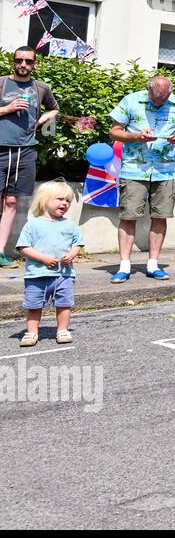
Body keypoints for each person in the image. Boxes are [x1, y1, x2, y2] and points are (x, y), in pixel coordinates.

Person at [108, 76, 175, 283]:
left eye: (162, 99)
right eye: (155, 99)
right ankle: (124, 266)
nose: (158, 103)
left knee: (160, 216)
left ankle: (153, 264)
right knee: (128, 216)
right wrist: (137, 136)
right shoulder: (131, 100)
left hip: (166, 170)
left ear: (170, 93)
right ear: (148, 91)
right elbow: (113, 132)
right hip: (134, 168)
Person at [0, 47, 60, 269]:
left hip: (25, 150)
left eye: (28, 61)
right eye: (19, 60)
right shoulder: (2, 83)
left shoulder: (41, 88)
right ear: (13, 62)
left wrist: (43, 119)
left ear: (34, 64)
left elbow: (55, 109)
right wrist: (7, 109)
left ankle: (0, 253)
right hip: (0, 148)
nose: (23, 64)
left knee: (12, 201)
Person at [15, 181, 83, 347]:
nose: (65, 203)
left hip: (64, 274)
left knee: (64, 304)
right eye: (60, 199)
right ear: (45, 200)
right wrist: (43, 258)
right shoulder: (33, 224)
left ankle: (62, 330)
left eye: (67, 200)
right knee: (34, 305)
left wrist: (72, 254)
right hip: (37, 274)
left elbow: (78, 243)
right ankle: (31, 333)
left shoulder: (70, 224)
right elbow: (23, 248)